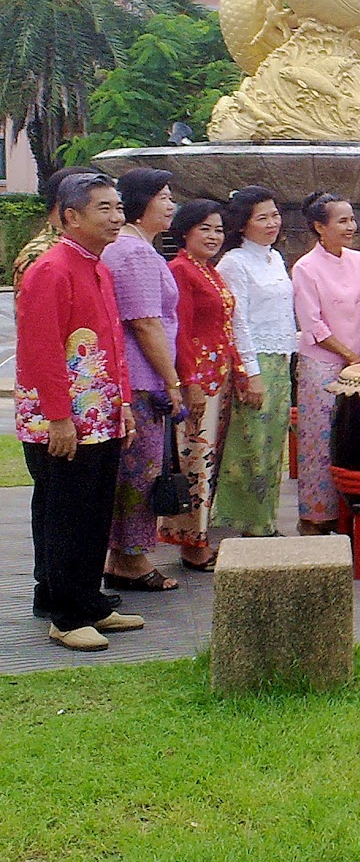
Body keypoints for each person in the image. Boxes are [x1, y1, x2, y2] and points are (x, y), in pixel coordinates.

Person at [15, 173, 144, 650]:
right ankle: (66, 616)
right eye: (104, 209)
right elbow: (40, 350)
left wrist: (122, 404)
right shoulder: (51, 269)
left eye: (118, 207)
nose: (116, 217)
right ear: (71, 216)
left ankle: (85, 600)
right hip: (63, 418)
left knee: (92, 509)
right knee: (67, 512)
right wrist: (58, 417)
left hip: (99, 414)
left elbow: (113, 343)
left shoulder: (96, 267)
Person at [99, 168, 183, 592]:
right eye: (163, 197)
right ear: (141, 202)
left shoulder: (128, 248)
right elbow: (146, 322)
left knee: (131, 470)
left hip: (134, 376)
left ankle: (122, 556)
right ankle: (131, 559)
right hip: (143, 379)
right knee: (141, 471)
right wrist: (172, 381)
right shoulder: (136, 253)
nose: (171, 205)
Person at [291, 192, 360, 535]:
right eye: (342, 221)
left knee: (359, 436)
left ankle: (358, 509)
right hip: (322, 364)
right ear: (319, 227)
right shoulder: (305, 268)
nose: (351, 226)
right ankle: (315, 515)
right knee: (319, 438)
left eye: (352, 219)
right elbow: (312, 324)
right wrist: (350, 356)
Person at [164, 199, 244, 568]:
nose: (213, 236)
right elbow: (178, 331)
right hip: (198, 381)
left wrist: (238, 370)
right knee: (195, 461)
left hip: (220, 378)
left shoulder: (210, 271)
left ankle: (200, 536)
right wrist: (189, 383)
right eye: (205, 229)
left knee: (209, 461)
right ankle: (192, 543)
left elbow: (225, 327)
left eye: (219, 230)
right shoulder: (180, 270)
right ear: (185, 231)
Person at [214, 187, 296, 539]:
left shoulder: (274, 258)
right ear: (242, 224)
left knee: (273, 443)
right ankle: (249, 523)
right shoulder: (234, 262)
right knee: (251, 442)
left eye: (275, 215)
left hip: (280, 360)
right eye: (262, 218)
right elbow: (238, 322)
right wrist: (251, 373)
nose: (272, 223)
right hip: (255, 362)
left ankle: (267, 519)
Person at [11, 165, 97, 291]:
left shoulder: (87, 246)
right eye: (101, 207)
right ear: (64, 204)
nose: (115, 217)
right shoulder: (40, 255)